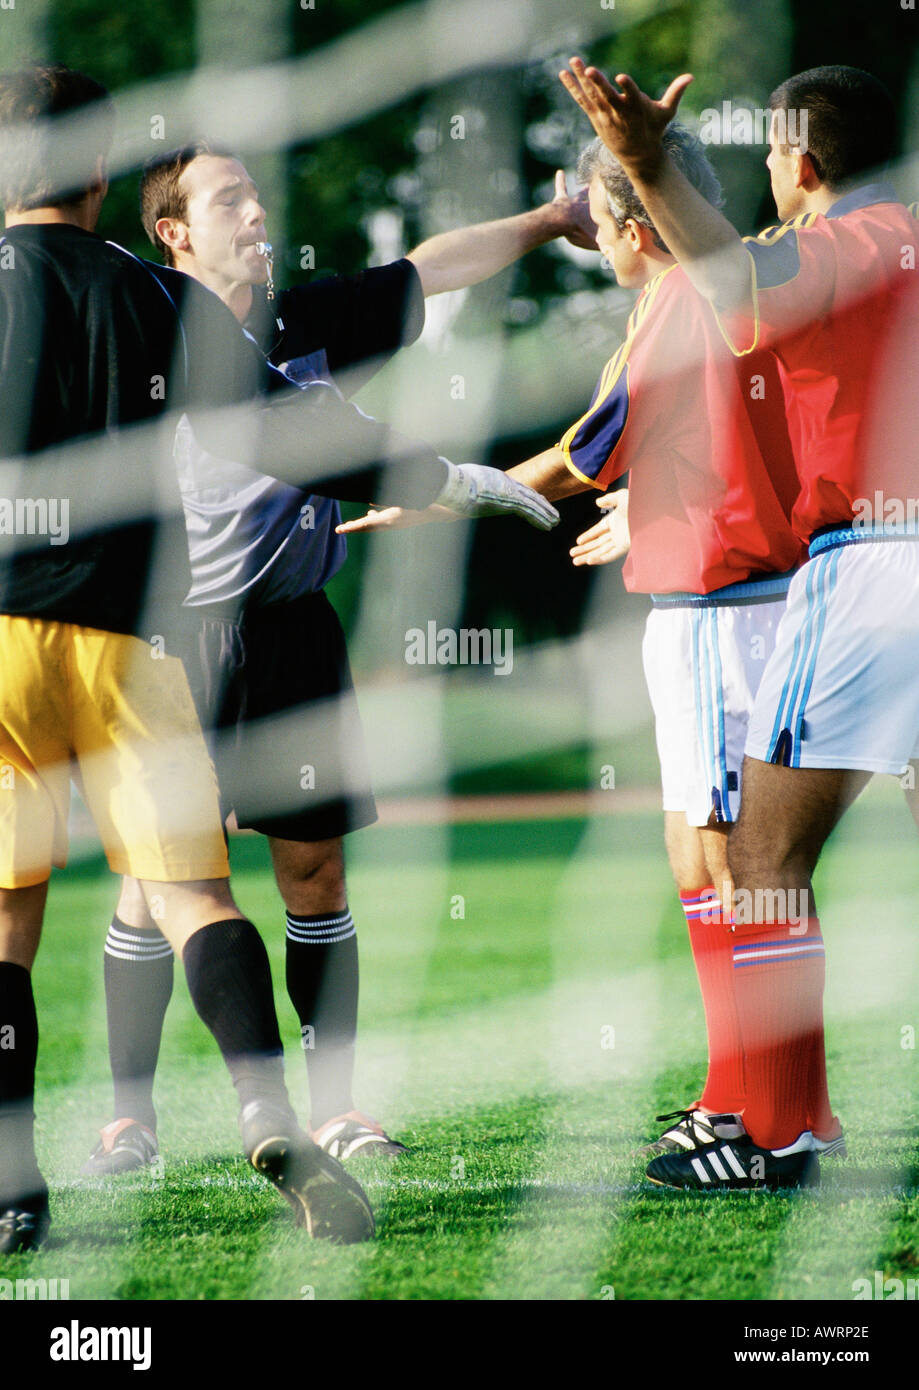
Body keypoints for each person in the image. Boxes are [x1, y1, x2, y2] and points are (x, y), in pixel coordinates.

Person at [0, 63, 555, 1252]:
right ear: (100, 170)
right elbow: (300, 437)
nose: (255, 215)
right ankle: (265, 1110)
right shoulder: (156, 296)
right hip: (134, 640)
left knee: (9, 917)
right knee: (194, 896)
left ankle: (11, 1186)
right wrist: (451, 478)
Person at [340, 124, 848, 1179]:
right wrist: (653, 505)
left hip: (725, 611)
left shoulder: (680, 299)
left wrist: (442, 496)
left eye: (606, 226)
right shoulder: (714, 291)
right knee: (698, 856)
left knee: (740, 865)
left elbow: (587, 449)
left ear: (633, 226)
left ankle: (782, 1119)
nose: (601, 246)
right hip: (716, 602)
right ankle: (735, 1093)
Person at [85, 141, 595, 1174]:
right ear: (173, 232)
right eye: (230, 199)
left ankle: (336, 1114)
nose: (257, 212)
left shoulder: (305, 321)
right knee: (154, 882)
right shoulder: (142, 327)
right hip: (171, 644)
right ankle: (128, 1122)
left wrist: (552, 222)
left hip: (293, 634)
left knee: (314, 874)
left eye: (255, 193)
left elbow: (430, 268)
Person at [559, 57, 919, 1190]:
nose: (765, 171)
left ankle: (779, 1130)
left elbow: (729, 279)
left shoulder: (850, 242)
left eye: (769, 152)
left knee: (761, 858)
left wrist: (643, 161)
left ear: (800, 162)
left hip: (870, 563)